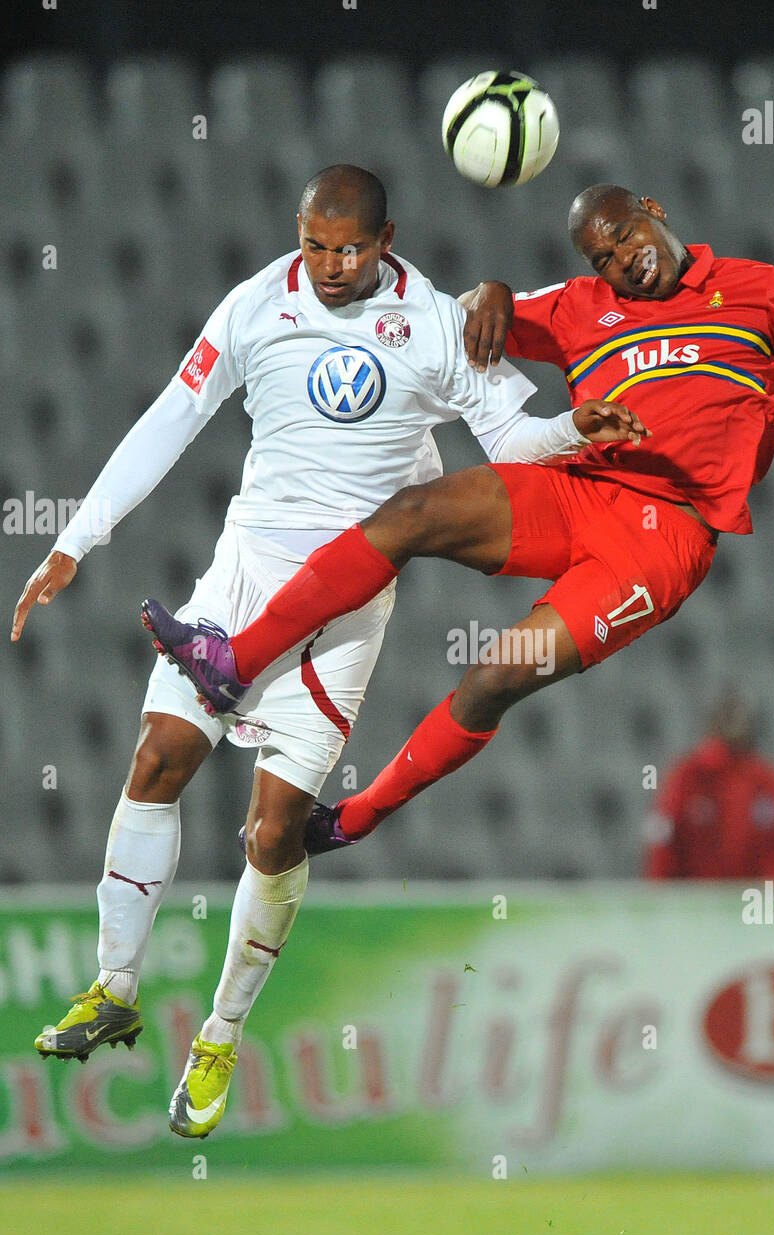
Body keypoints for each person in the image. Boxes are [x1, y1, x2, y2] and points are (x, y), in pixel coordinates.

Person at [9, 166, 643, 1137]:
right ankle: (114, 984)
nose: (333, 264)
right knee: (156, 758)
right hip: (245, 573)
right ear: (297, 234)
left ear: (387, 237)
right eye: (316, 244)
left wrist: (571, 425)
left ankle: (218, 1034)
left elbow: (510, 437)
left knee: (270, 833)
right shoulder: (256, 304)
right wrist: (75, 538)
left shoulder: (435, 321)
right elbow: (172, 416)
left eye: (352, 246)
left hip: (345, 607)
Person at [140, 182, 774, 865]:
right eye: (601, 255)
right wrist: (492, 292)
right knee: (414, 511)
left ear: (655, 208)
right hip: (578, 487)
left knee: (495, 677)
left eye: (623, 236)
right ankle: (233, 664)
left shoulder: (761, 292)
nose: (620, 261)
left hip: (661, 542)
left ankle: (355, 818)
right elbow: (474, 314)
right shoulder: (585, 305)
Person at [643, 691, 774, 879]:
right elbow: (664, 842)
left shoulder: (768, 780)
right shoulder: (688, 776)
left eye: (739, 716)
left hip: (753, 901)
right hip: (697, 902)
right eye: (728, 715)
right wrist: (663, 898)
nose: (735, 724)